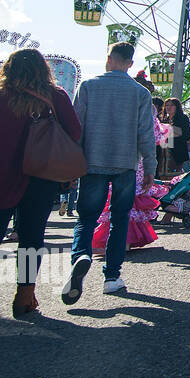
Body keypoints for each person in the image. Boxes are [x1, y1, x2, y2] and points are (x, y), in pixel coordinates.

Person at [0, 49, 81, 318]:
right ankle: (24, 296)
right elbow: (74, 132)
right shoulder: (55, 97)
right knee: (31, 238)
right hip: (39, 177)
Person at [66, 41, 157, 301]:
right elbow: (146, 135)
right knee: (119, 221)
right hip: (126, 165)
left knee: (86, 218)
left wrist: (73, 165)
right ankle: (112, 277)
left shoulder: (88, 87)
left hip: (92, 163)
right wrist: (149, 167)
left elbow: (77, 129)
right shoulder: (140, 93)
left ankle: (80, 256)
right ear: (130, 63)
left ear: (108, 59)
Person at [161, 97, 190, 176]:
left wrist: (171, 131)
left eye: (172, 105)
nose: (169, 107)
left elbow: (187, 135)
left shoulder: (182, 118)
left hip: (177, 152)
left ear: (177, 107)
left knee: (175, 176)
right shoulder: (164, 120)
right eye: (167, 105)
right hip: (163, 152)